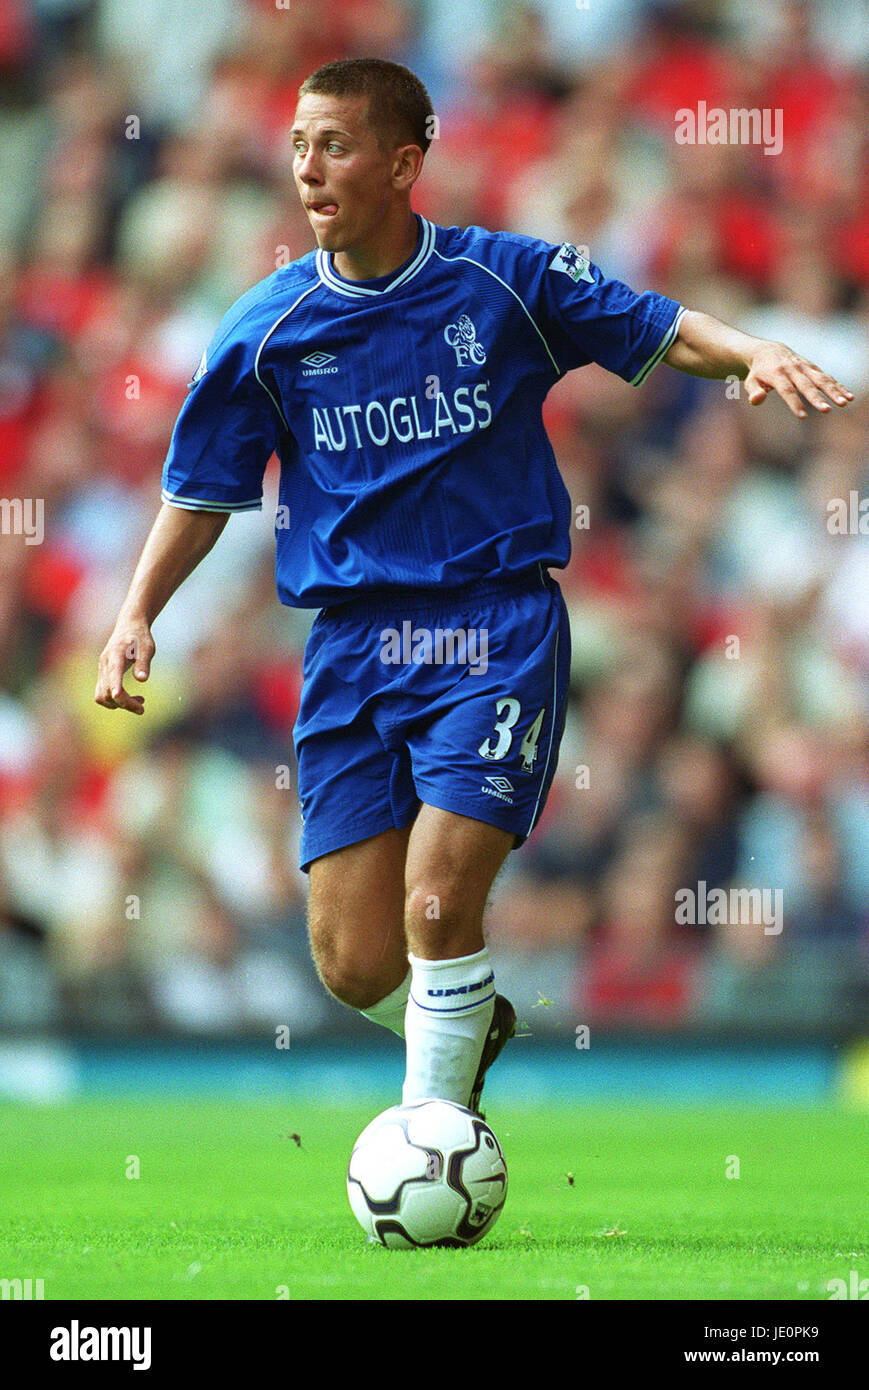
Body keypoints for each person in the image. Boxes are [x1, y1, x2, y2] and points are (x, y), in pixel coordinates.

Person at [95, 57, 853, 1114]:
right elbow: (200, 491)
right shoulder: (263, 329)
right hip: (352, 644)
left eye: (337, 145)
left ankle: (434, 1137)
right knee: (354, 965)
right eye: (299, 145)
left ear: (405, 163)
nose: (308, 169)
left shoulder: (503, 281)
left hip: (490, 627)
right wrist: (136, 613)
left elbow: (654, 324)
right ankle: (464, 1018)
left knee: (438, 901)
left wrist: (748, 354)